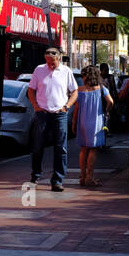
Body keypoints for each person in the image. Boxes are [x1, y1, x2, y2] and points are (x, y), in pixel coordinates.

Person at [27, 47, 78, 191]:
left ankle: (57, 180)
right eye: (48, 62)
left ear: (59, 58)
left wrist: (67, 106)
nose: (50, 65)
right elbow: (31, 90)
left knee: (61, 147)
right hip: (42, 113)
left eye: (53, 62)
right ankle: (35, 176)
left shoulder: (66, 71)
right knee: (37, 146)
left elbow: (74, 91)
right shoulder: (39, 70)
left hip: (59, 114)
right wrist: (35, 106)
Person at [74, 65, 114, 187]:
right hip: (96, 122)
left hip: (82, 121)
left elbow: (76, 108)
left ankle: (82, 176)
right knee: (92, 149)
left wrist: (73, 122)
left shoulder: (79, 90)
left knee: (83, 149)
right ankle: (90, 177)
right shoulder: (102, 89)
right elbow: (111, 102)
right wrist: (106, 111)